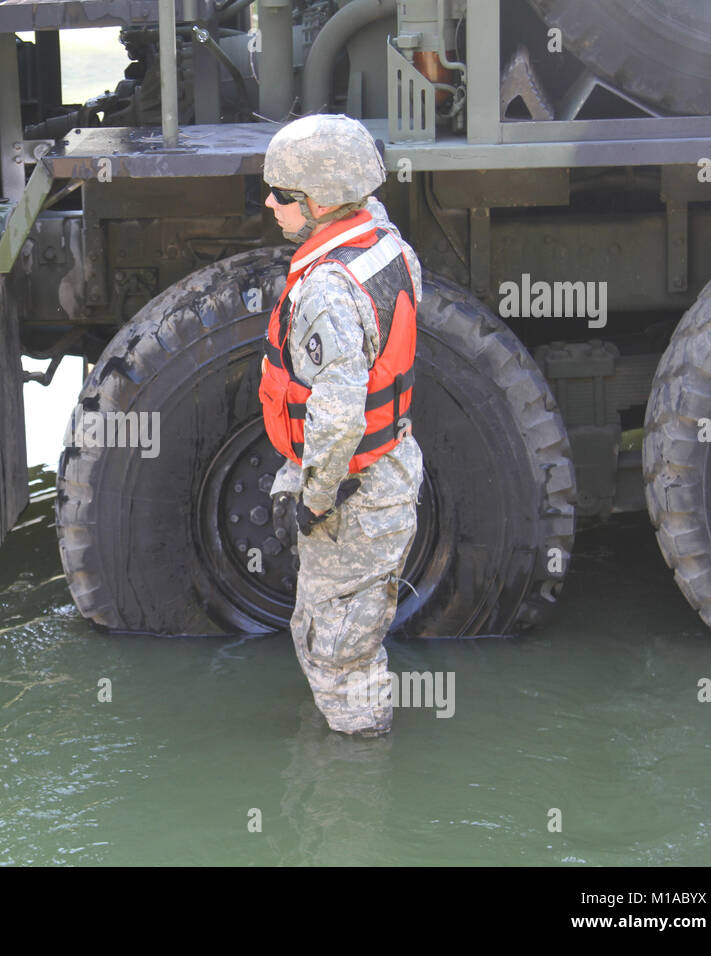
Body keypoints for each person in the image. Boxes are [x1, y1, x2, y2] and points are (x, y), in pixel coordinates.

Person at [258, 113, 424, 737]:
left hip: (354, 490)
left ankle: (351, 790)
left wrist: (316, 498)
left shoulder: (327, 287)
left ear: (319, 200)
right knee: (339, 632)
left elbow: (337, 409)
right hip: (387, 466)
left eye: (283, 195)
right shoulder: (386, 244)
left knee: (340, 657)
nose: (270, 204)